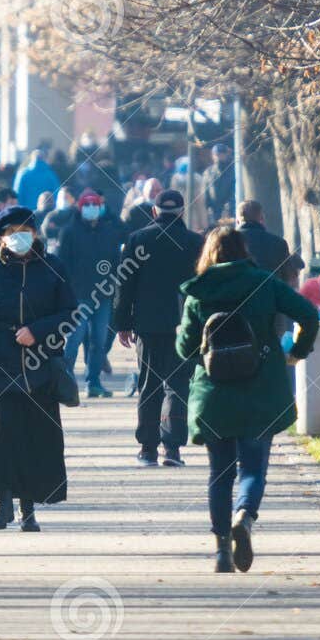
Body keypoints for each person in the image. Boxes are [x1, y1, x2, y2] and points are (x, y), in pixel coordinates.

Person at [176, 222, 319, 574]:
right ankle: (245, 514)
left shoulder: (198, 293)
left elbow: (184, 348)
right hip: (260, 391)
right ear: (244, 252)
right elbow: (308, 314)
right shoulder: (265, 283)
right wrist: (297, 351)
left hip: (215, 396)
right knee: (253, 468)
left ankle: (222, 549)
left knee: (219, 473)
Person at [0, 206, 76, 531]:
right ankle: (3, 503)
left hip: (40, 367)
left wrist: (38, 331)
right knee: (0, 439)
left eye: (24, 231)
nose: (19, 238)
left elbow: (69, 311)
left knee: (34, 440)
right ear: (2, 236)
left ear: (36, 233)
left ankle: (29, 509)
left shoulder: (53, 267)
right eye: (12, 233)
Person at [114, 187, 203, 466]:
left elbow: (124, 285)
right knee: (178, 385)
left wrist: (122, 323)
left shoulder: (138, 240)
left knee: (149, 385)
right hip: (184, 325)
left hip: (148, 324)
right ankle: (173, 448)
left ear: (155, 212)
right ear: (181, 212)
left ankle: (148, 449)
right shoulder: (195, 243)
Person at [58, 189, 123, 397]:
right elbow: (62, 265)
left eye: (96, 204)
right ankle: (64, 381)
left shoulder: (109, 231)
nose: (92, 208)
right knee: (75, 339)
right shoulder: (69, 232)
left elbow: (118, 255)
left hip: (103, 295)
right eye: (87, 204)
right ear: (80, 207)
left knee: (99, 340)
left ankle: (93, 382)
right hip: (78, 295)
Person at [236, 200, 291, 275]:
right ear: (262, 219)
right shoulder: (279, 243)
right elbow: (286, 276)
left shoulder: (227, 242)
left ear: (237, 221)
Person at [13, 142, 60, 212]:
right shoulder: (50, 174)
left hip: (26, 212)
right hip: (45, 211)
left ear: (31, 159)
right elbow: (57, 193)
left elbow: (17, 193)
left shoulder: (22, 174)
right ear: (44, 159)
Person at [200, 141, 236, 226]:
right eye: (217, 155)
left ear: (226, 155)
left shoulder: (233, 170)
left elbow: (234, 191)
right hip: (214, 212)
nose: (219, 157)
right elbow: (205, 193)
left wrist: (228, 209)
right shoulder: (208, 172)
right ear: (213, 156)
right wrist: (208, 210)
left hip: (230, 212)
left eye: (221, 154)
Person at [42, 186, 76, 254]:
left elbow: (75, 232)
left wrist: (57, 229)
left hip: (72, 251)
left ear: (73, 199)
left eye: (66, 198)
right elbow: (47, 231)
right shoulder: (51, 215)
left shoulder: (76, 214)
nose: (63, 200)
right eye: (60, 197)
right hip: (54, 252)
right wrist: (64, 230)